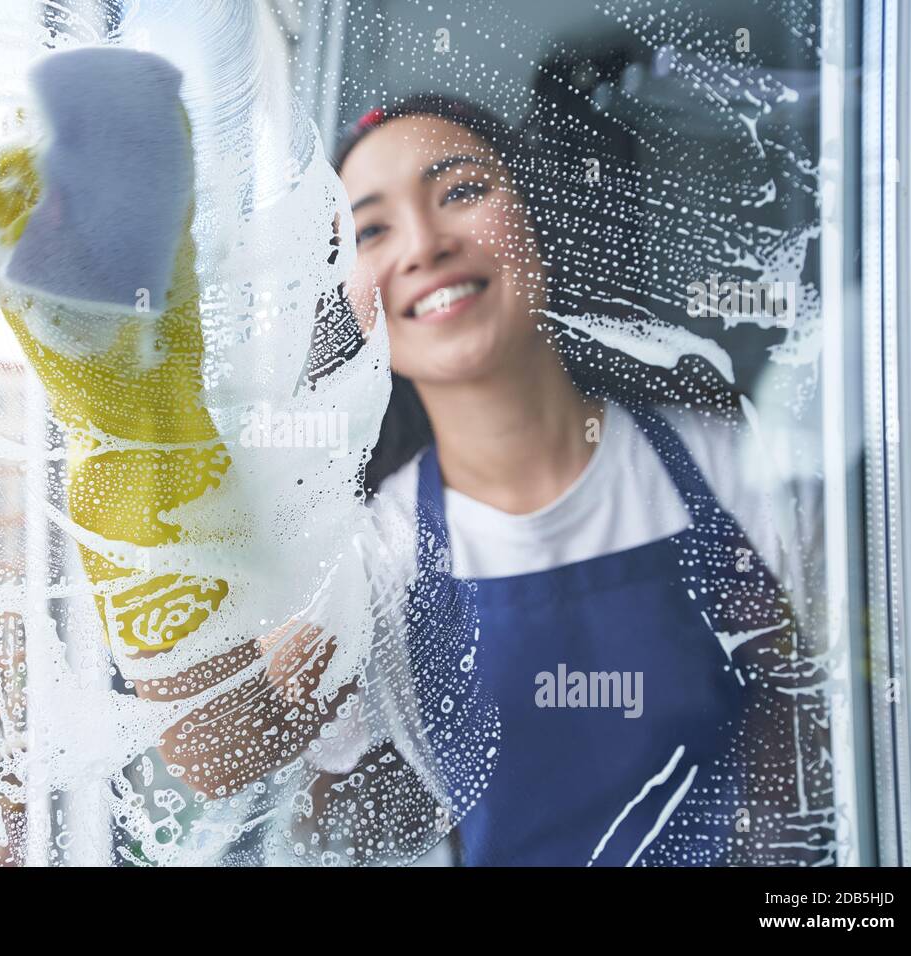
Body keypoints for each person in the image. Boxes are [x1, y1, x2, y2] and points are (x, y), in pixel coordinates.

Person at [321, 92, 835, 866]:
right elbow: (297, 794)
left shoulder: (735, 472)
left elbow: (831, 721)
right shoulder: (373, 566)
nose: (423, 244)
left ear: (540, 221)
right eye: (372, 230)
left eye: (461, 191)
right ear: (354, 305)